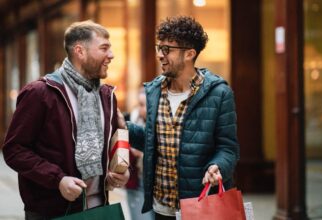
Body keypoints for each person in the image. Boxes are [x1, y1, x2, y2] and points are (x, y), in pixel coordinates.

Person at [2, 20, 129, 219]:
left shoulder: (107, 95)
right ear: (80, 51)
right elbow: (14, 150)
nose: (111, 55)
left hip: (99, 209)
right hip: (51, 212)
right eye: (104, 48)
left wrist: (120, 172)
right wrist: (58, 180)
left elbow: (110, 145)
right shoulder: (40, 93)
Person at [118, 16, 239, 220]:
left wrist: (218, 166)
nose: (160, 55)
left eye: (167, 49)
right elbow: (153, 142)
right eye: (159, 48)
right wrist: (123, 125)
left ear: (189, 54)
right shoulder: (153, 90)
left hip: (199, 205)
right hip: (161, 207)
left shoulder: (219, 93)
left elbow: (228, 148)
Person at [125, 87, 154, 220]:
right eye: (140, 104)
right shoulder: (132, 121)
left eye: (144, 105)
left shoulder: (159, 125)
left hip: (155, 185)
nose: (141, 109)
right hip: (136, 182)